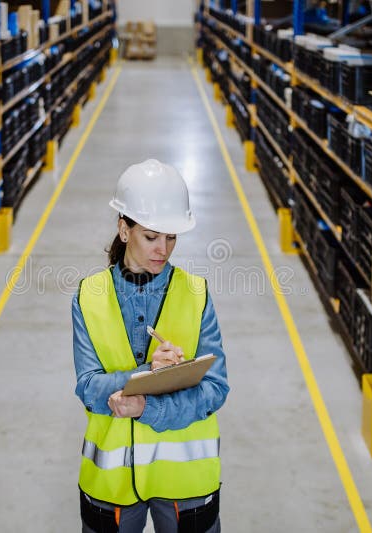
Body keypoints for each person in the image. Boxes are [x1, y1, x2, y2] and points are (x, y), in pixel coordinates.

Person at [72, 159, 230, 533]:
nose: (163, 249)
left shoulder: (196, 294)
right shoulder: (89, 296)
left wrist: (148, 406)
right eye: (151, 236)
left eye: (171, 237)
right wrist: (147, 375)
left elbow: (216, 388)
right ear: (123, 229)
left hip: (184, 485)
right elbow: (88, 386)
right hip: (112, 485)